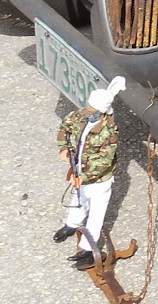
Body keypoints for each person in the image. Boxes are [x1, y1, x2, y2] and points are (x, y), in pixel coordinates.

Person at [54, 76, 126, 272]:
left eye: (93, 110)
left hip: (98, 179)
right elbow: (66, 127)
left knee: (96, 212)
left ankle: (88, 248)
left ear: (102, 112)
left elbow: (103, 162)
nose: (89, 111)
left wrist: (83, 177)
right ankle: (71, 224)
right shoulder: (82, 116)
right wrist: (63, 148)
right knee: (78, 198)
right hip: (79, 169)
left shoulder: (108, 132)